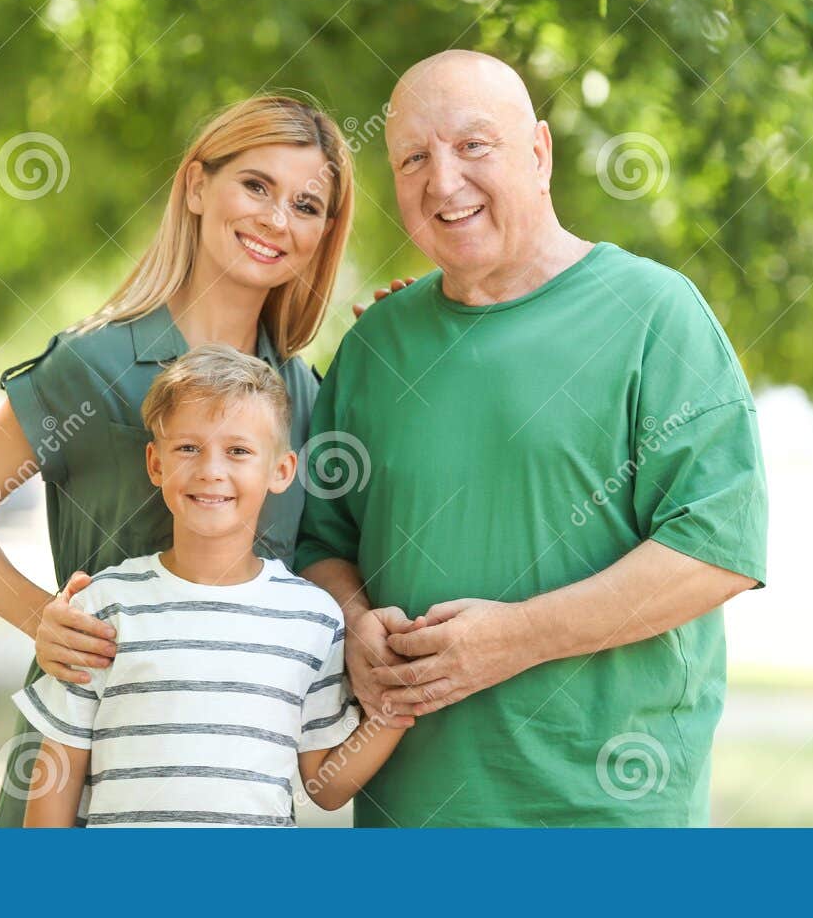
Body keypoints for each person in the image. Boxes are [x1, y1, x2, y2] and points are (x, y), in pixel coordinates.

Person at [295, 50, 769, 826]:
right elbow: (320, 539)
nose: (441, 181)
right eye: (413, 157)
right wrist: (352, 622)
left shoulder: (655, 313)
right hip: (411, 821)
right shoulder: (376, 345)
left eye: (473, 145)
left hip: (606, 819)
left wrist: (513, 638)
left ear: (540, 153)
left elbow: (716, 550)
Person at [0, 95, 357, 826]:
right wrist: (42, 618)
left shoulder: (307, 399)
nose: (278, 219)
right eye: (256, 185)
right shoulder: (92, 365)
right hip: (77, 785)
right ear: (195, 187)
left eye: (307, 205)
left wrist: (409, 327)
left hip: (229, 799)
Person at [14, 345, 409, 827]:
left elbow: (324, 787)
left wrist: (391, 714)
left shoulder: (314, 618)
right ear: (156, 464)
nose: (211, 470)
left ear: (280, 471)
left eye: (239, 451)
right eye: (188, 448)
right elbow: (59, 771)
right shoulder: (103, 605)